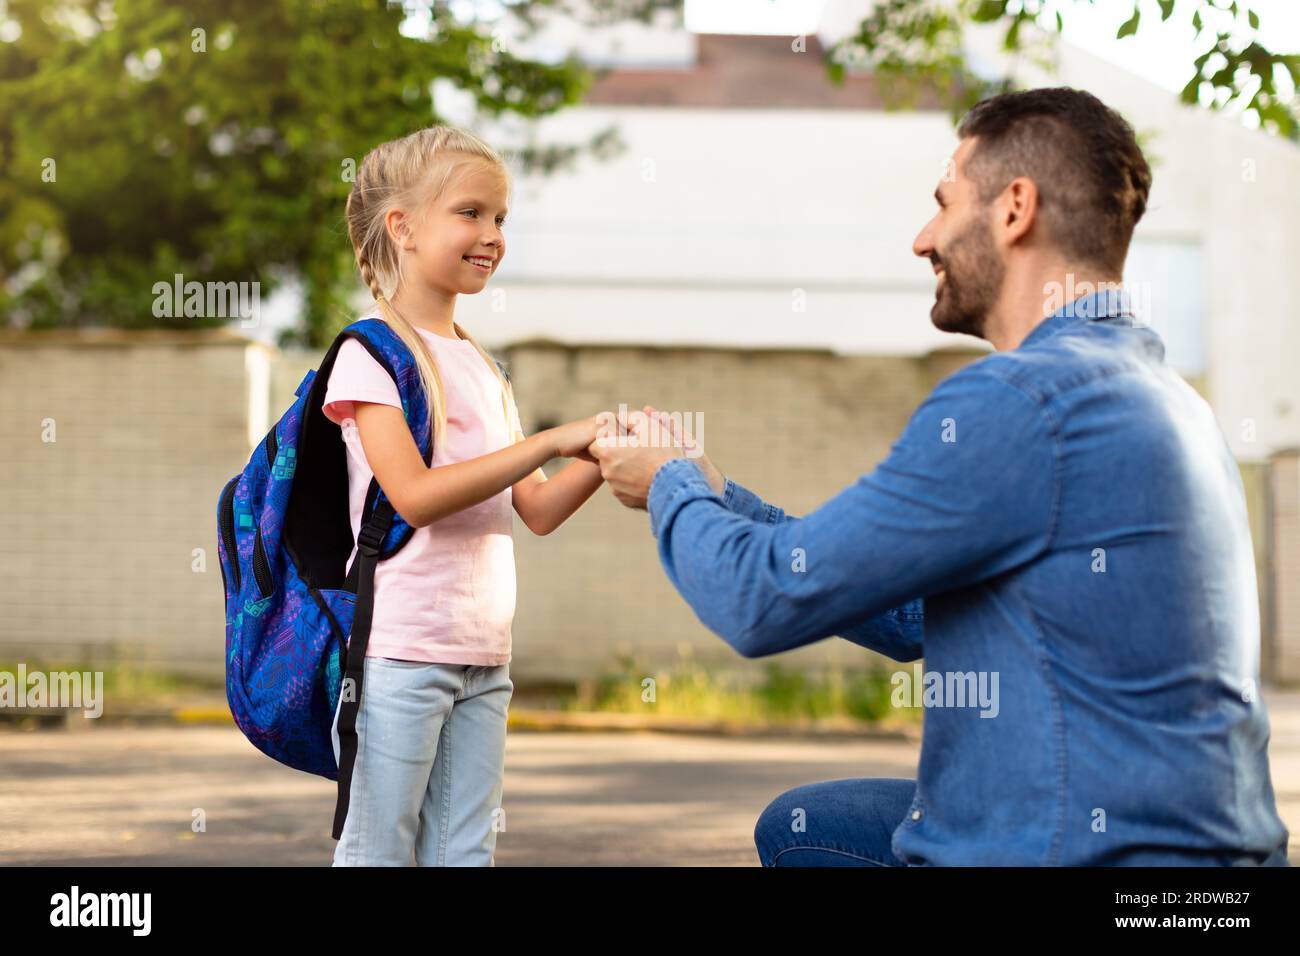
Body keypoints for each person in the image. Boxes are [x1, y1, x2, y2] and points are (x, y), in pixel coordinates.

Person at [588, 88, 1291, 866]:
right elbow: (906, 618)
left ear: (1014, 208)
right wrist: (719, 496)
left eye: (944, 202)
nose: (923, 239)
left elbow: (759, 602)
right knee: (808, 824)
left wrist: (668, 486)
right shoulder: (1162, 398)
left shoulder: (1022, 401)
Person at [326, 125, 607, 865]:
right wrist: (547, 439)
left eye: (501, 219)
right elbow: (415, 497)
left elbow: (536, 510)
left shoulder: (485, 368)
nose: (492, 235)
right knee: (378, 850)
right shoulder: (370, 354)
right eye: (472, 213)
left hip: (485, 658)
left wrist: (605, 450)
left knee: (465, 851)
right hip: (400, 657)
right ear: (404, 227)